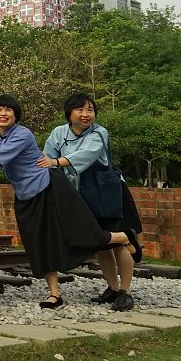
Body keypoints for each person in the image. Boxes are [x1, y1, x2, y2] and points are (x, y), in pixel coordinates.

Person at [0, 94, 135, 309]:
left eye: (8, 110)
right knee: (40, 243)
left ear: (16, 115)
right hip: (34, 192)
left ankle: (125, 245)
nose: (3, 114)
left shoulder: (23, 134)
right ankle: (55, 294)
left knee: (86, 234)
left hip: (67, 188)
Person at [38, 93, 143, 311]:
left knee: (117, 242)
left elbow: (87, 155)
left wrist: (56, 161)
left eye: (90, 110)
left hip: (106, 192)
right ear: (69, 113)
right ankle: (112, 288)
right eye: (80, 110)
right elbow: (45, 158)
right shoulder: (58, 133)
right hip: (79, 193)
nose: (86, 115)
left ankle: (125, 291)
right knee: (100, 242)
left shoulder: (99, 132)